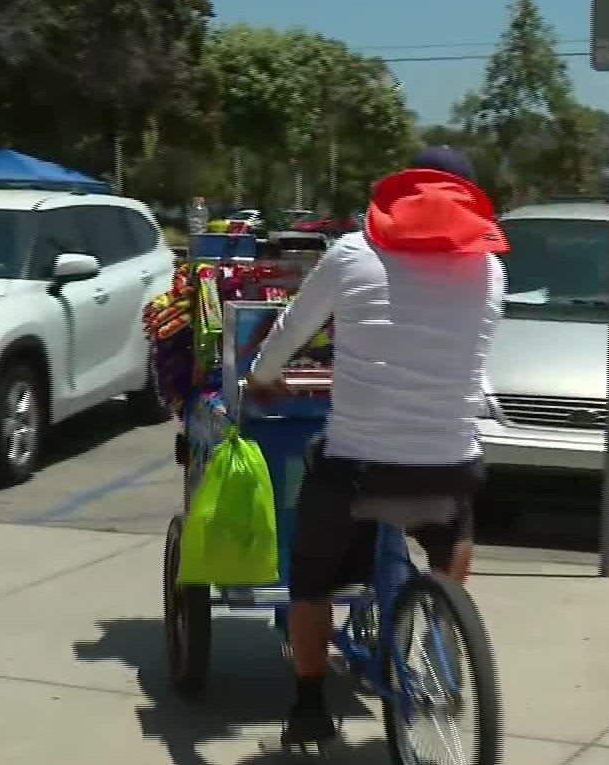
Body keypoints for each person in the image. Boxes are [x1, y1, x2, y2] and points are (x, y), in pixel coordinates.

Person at [245, 146, 509, 743]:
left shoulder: (352, 254)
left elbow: (291, 330)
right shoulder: (491, 269)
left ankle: (309, 704)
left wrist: (263, 378)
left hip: (358, 469)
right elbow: (464, 346)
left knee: (310, 580)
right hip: (450, 465)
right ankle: (441, 613)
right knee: (454, 524)